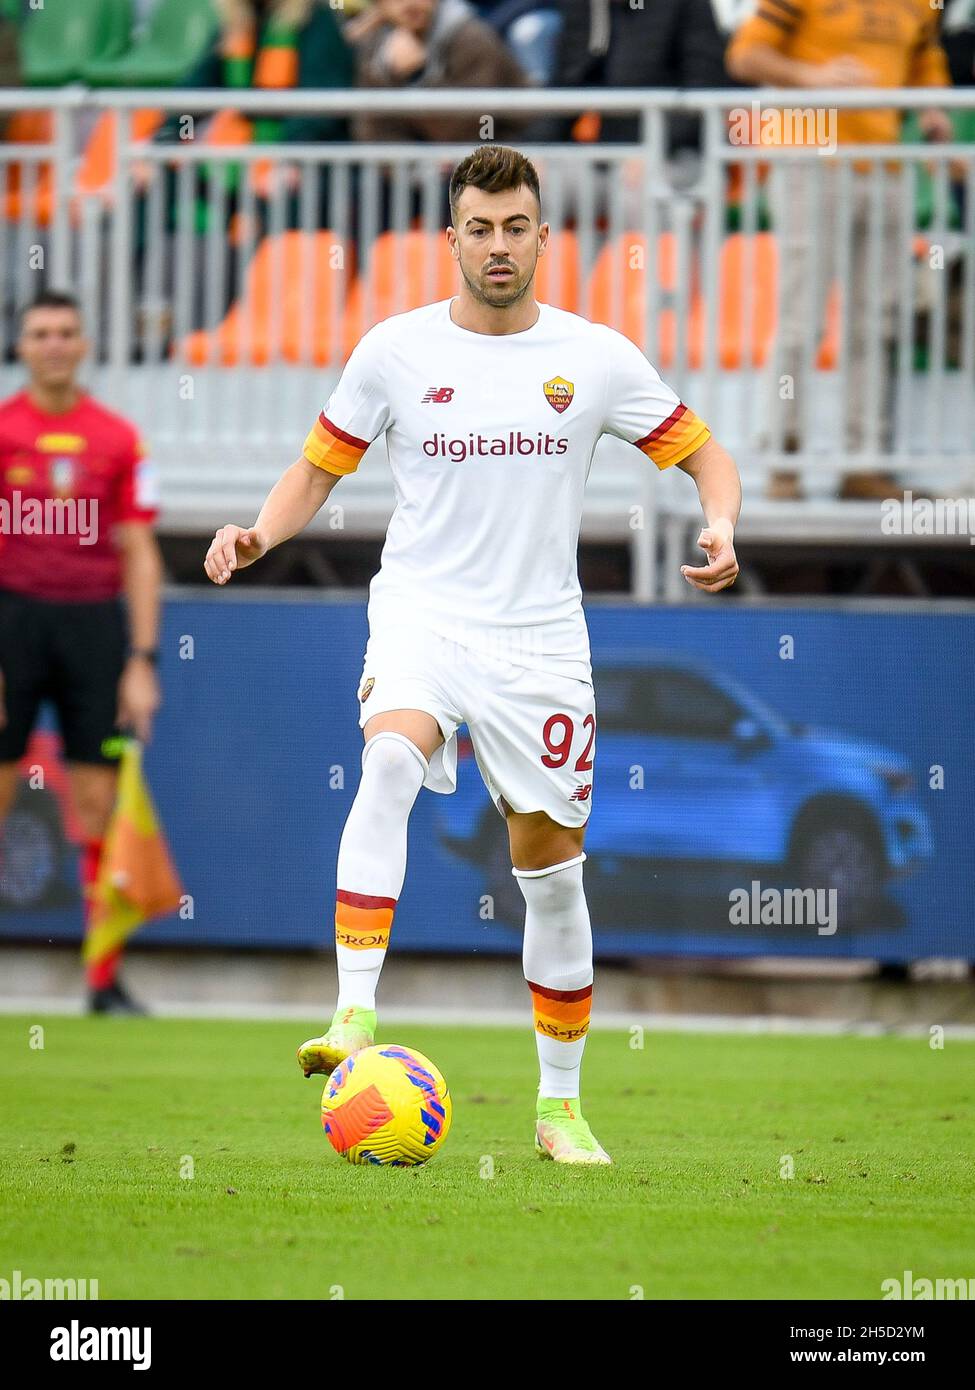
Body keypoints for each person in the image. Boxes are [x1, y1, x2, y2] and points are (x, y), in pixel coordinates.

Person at [204, 145, 741, 1164]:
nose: (499, 246)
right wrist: (256, 535)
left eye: (516, 227)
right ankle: (355, 1014)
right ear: (451, 239)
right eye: (480, 229)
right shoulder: (394, 351)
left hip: (539, 645)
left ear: (545, 236)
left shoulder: (595, 358)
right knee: (390, 758)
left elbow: (708, 454)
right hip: (423, 613)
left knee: (550, 880)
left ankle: (560, 1107)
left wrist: (719, 523)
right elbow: (317, 470)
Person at [0, 292, 163, 1014]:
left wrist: (143, 658)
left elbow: (140, 550)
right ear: (22, 346)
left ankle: (101, 982)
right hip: (12, 622)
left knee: (97, 802)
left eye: (67, 331)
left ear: (85, 343)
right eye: (41, 333)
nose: (55, 344)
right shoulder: (2, 431)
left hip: (94, 628)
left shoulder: (119, 438)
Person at [727, 0, 953, 500]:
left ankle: (863, 462)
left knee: (878, 320)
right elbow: (745, 55)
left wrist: (934, 107)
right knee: (800, 318)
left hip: (883, 164)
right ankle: (784, 459)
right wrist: (811, 77)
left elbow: (924, 62)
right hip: (807, 158)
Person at [352, 0, 528, 143]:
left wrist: (417, 76)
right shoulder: (376, 43)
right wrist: (413, 168)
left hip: (505, 156)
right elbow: (372, 129)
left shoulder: (471, 37)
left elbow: (469, 129)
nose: (409, 3)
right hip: (419, 170)